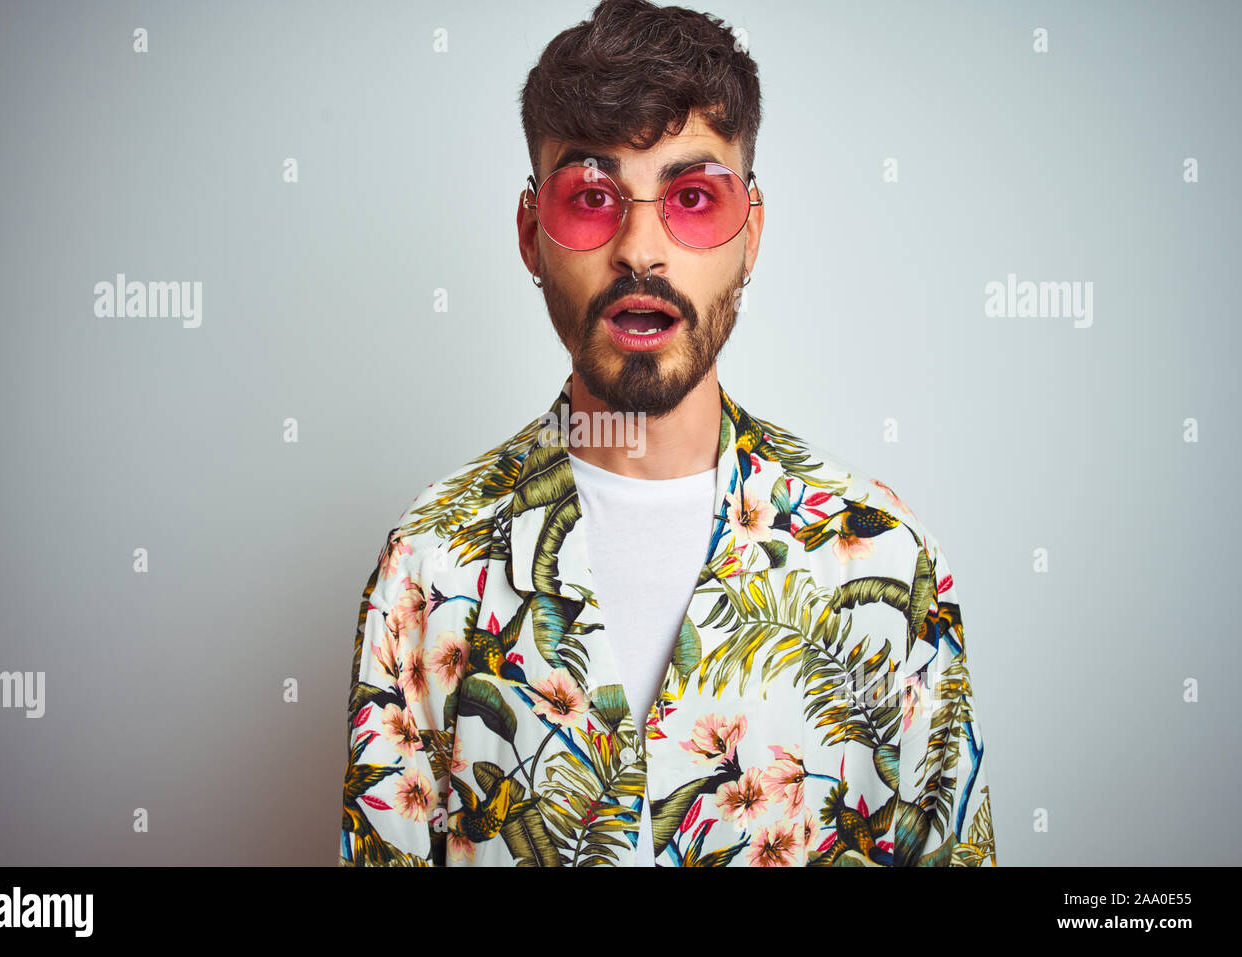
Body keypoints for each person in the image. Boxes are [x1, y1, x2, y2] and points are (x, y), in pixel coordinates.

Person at [339, 0, 995, 867]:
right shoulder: (428, 566)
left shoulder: (882, 558)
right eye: (592, 197)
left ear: (751, 233)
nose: (640, 249)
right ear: (533, 234)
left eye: (692, 197)